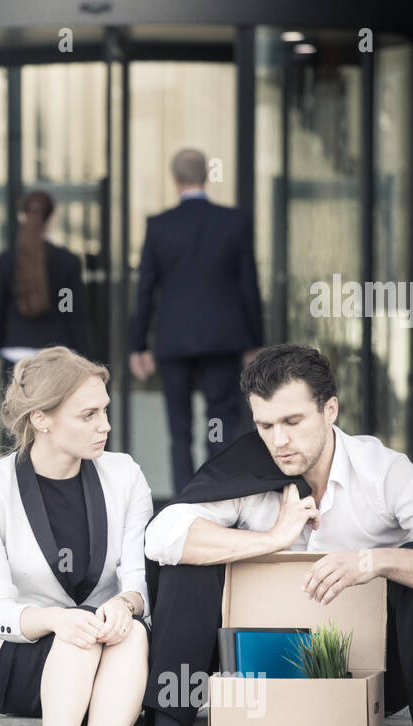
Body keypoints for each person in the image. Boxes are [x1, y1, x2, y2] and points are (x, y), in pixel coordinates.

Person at [126, 344, 413, 726]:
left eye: (292, 422)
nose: (278, 441)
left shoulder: (385, 474)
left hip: (365, 665)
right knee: (189, 560)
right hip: (258, 664)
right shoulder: (249, 470)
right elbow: (160, 536)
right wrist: (272, 540)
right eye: (265, 425)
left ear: (329, 410)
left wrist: (373, 561)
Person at [0, 346, 154, 726]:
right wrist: (53, 619)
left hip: (111, 659)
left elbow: (138, 578)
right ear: (42, 420)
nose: (104, 425)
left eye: (104, 411)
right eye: (88, 415)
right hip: (18, 658)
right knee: (78, 632)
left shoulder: (125, 475)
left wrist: (124, 605)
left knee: (127, 633)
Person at [128, 148, 264, 493]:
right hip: (222, 340)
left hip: (173, 341)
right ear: (206, 176)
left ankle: (185, 500)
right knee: (219, 419)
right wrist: (254, 340)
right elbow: (250, 284)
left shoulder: (159, 226)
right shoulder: (234, 222)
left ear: (175, 180)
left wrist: (138, 345)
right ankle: (215, 496)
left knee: (179, 428)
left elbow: (145, 289)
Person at [0, 191, 91, 392]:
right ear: (52, 219)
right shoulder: (67, 262)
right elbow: (71, 312)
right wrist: (82, 356)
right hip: (57, 356)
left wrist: (6, 344)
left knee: (20, 422)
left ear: (21, 216)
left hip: (16, 357)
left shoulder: (7, 260)